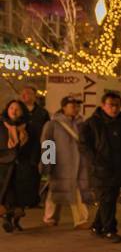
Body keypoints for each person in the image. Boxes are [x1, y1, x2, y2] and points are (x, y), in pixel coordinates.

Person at [80, 91, 121, 242]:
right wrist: (95, 161)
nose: (114, 108)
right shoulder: (92, 123)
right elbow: (84, 145)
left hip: (118, 168)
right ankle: (109, 230)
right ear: (103, 105)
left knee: (109, 199)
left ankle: (97, 226)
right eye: (111, 105)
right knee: (107, 199)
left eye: (117, 105)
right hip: (100, 169)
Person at [40, 96, 91, 228]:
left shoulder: (82, 124)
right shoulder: (53, 124)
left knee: (78, 190)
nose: (76, 109)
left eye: (78, 106)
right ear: (64, 107)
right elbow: (47, 144)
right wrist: (47, 164)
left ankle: (81, 219)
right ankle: (50, 217)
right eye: (73, 106)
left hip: (79, 164)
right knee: (56, 190)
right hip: (60, 164)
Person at [0, 100, 39, 232]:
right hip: (4, 166)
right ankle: (7, 218)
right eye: (11, 108)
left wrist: (35, 162)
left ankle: (15, 220)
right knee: (7, 195)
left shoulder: (30, 127)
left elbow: (36, 146)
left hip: (23, 166)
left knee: (20, 197)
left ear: (22, 111)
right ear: (7, 110)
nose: (14, 111)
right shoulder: (1, 125)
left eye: (17, 109)